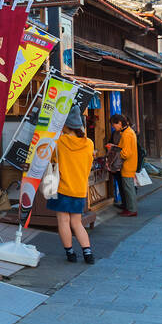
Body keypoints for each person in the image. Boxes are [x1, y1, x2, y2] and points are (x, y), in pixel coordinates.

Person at [49, 107, 95, 264]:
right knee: (77, 222)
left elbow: (52, 161)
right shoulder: (89, 143)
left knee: (63, 221)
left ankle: (70, 254)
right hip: (80, 188)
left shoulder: (59, 142)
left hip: (62, 187)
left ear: (65, 125)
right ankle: (88, 253)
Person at [109, 114, 139, 217]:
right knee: (128, 187)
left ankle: (132, 209)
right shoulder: (128, 131)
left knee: (128, 188)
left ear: (120, 123)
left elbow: (126, 153)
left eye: (114, 125)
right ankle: (130, 208)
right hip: (129, 164)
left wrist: (115, 152)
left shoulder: (126, 134)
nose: (114, 127)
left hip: (128, 165)